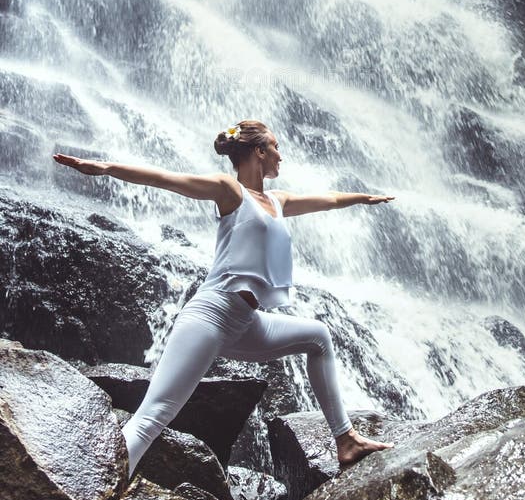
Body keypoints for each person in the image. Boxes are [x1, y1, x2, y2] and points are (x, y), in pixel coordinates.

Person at [53, 119, 395, 476]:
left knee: (318, 336)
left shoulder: (278, 201)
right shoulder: (230, 191)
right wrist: (106, 168)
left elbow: (328, 201)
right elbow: (165, 179)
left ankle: (346, 440)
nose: (282, 155)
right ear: (259, 151)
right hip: (210, 316)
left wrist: (362, 199)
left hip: (247, 324)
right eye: (276, 147)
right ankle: (87, 489)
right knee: (153, 417)